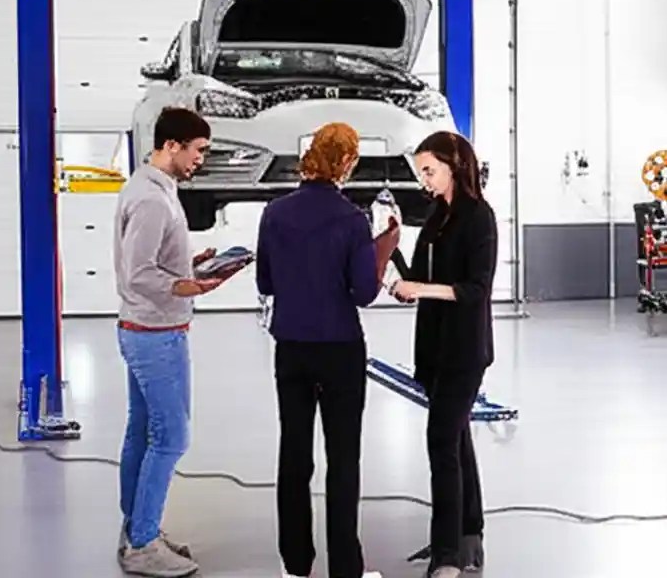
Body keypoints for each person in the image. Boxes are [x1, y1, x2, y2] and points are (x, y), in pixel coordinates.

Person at [256, 122, 400, 578]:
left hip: (291, 347)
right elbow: (363, 293)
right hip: (339, 349)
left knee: (294, 454)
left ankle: (296, 564)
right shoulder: (352, 220)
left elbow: (265, 282)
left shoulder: (274, 213)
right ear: (348, 163)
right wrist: (384, 247)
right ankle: (345, 568)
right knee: (343, 459)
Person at [115, 106, 242, 577]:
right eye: (198, 151)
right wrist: (190, 285)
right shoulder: (151, 199)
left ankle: (136, 529)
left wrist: (193, 260)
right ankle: (144, 544)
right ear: (172, 145)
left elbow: (155, 256)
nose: (200, 161)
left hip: (144, 328)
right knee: (172, 437)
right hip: (156, 334)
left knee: (142, 432)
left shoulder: (154, 190)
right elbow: (139, 271)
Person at [390, 131, 498, 578]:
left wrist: (421, 288)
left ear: (454, 166)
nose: (424, 180)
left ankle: (447, 554)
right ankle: (469, 536)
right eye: (421, 173)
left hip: (464, 350)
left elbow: (476, 289)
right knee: (456, 440)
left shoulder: (479, 218)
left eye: (429, 171)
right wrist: (390, 251)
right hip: (434, 348)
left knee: (441, 443)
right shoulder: (437, 218)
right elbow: (418, 276)